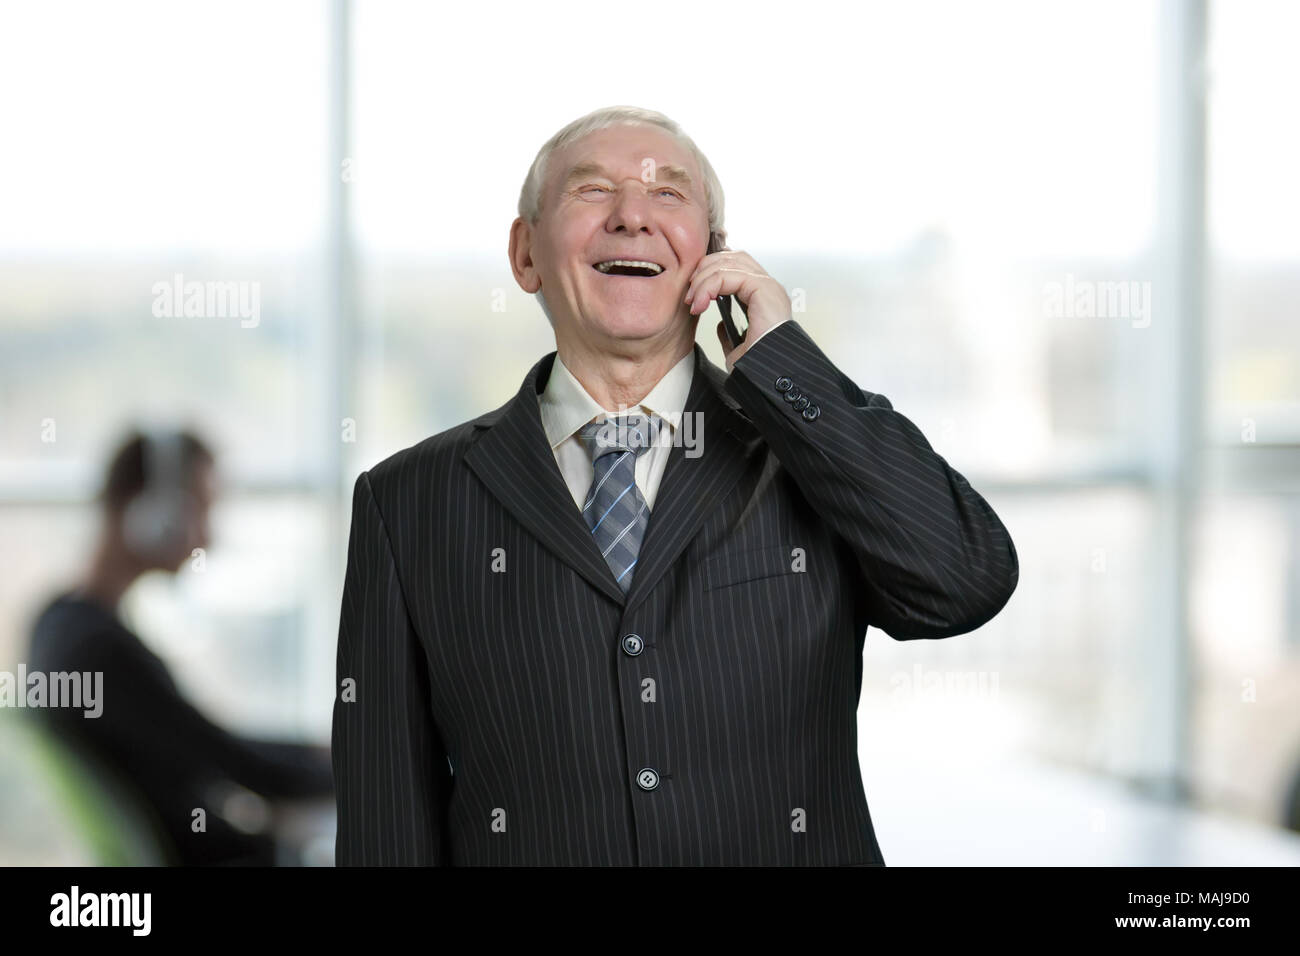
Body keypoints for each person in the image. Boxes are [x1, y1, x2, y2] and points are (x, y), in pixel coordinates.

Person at [332, 105, 1019, 866]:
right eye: (591, 191)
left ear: (715, 257)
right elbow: (384, 822)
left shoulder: (807, 458)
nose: (632, 217)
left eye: (669, 194)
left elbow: (965, 581)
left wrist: (786, 365)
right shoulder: (407, 502)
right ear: (525, 254)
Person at [28, 427, 333, 865]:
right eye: (200, 508)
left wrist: (320, 753)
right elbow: (233, 761)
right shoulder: (99, 650)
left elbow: (204, 741)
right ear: (149, 510)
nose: (206, 537)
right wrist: (365, 767)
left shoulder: (57, 622)